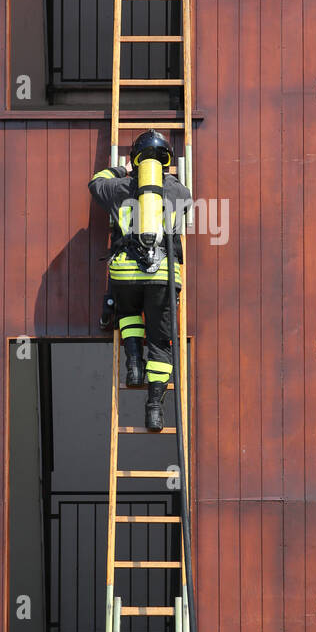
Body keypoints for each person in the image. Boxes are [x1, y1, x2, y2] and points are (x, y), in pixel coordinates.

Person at [89, 130, 192, 430]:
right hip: (162, 276)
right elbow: (184, 205)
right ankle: (154, 408)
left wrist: (122, 170)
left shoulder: (119, 186)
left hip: (124, 274)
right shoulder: (178, 191)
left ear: (135, 161)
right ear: (167, 163)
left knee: (129, 313)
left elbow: (95, 182)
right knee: (161, 341)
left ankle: (133, 366)